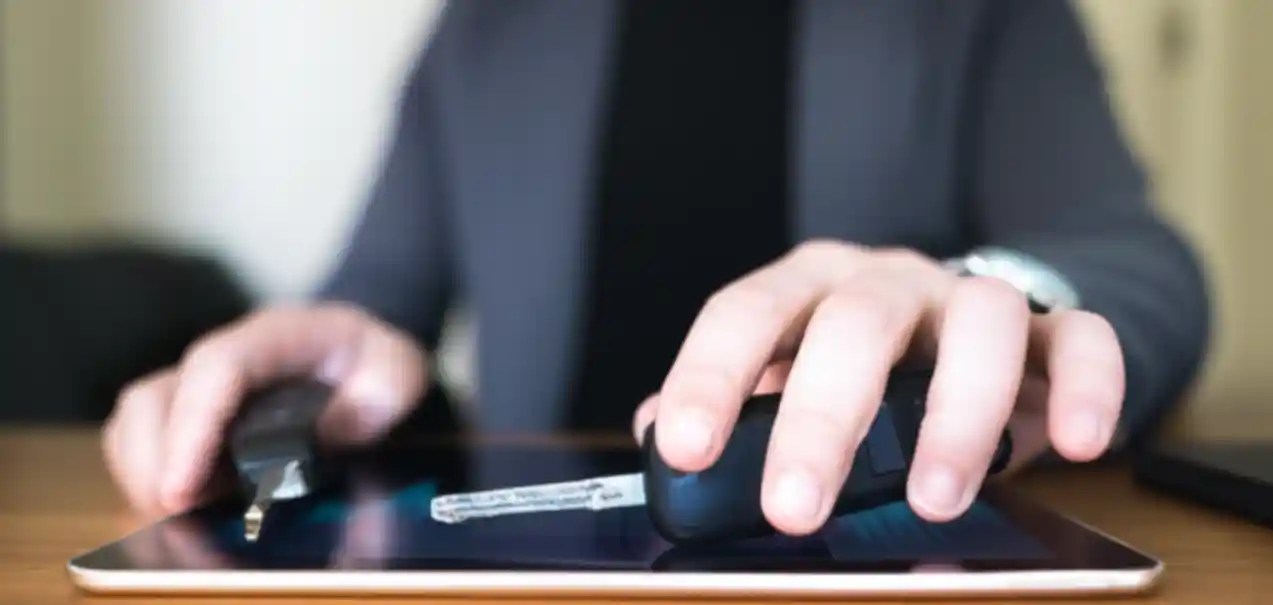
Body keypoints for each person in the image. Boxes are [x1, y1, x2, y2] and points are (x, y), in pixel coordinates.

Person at [102, 0, 1210, 537]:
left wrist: (993, 291)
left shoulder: (977, 14)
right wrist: (331, 351)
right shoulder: (485, 28)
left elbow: (1137, 261)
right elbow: (374, 306)